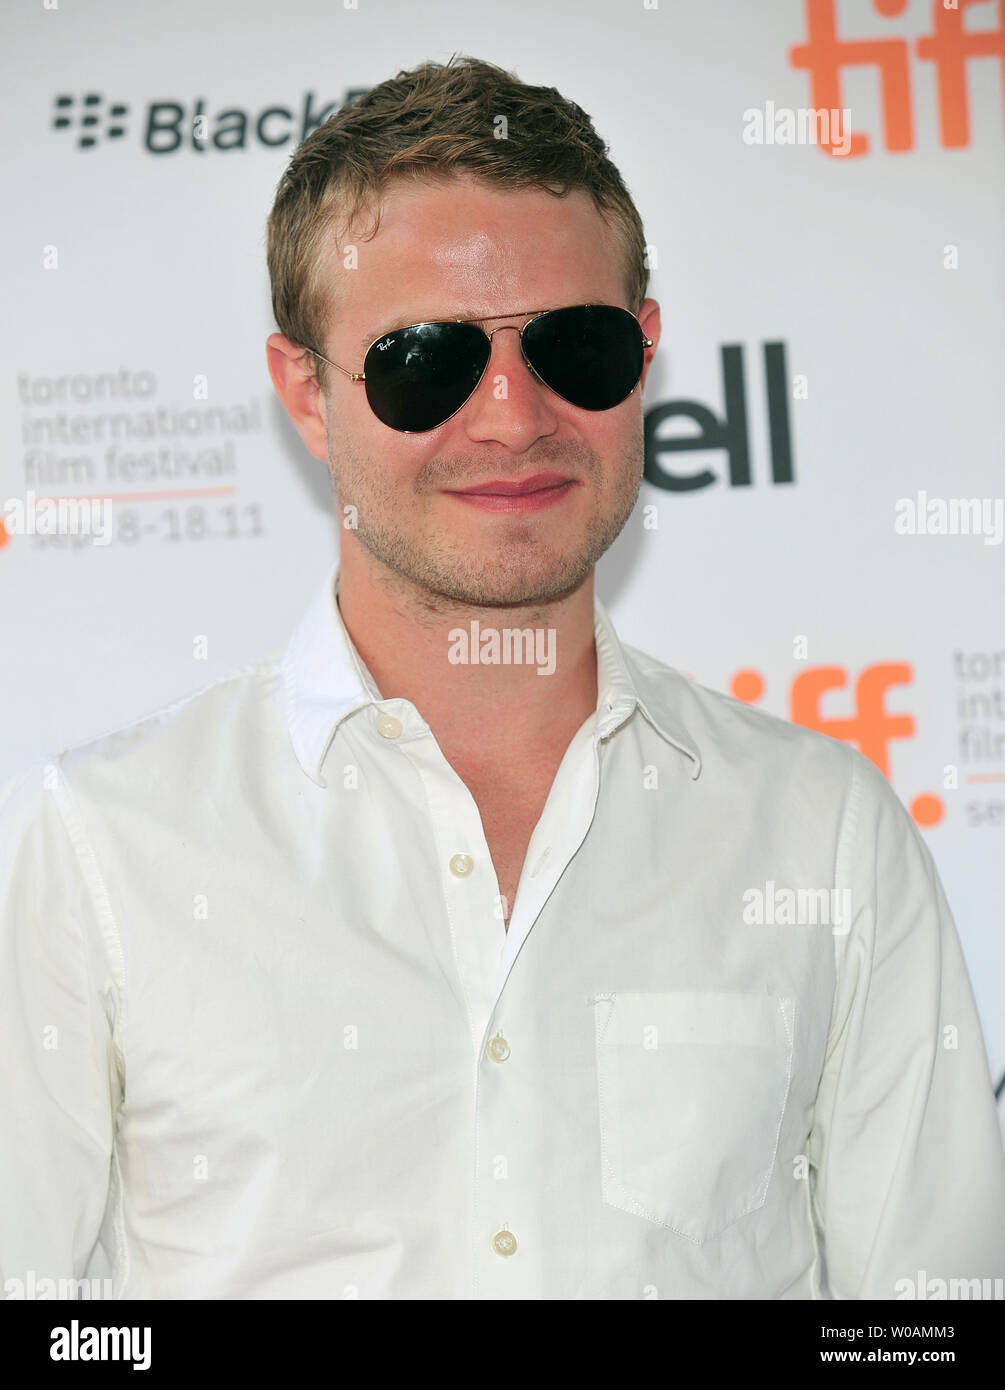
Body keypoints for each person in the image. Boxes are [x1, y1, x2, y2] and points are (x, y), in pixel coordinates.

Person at [1, 54, 1003, 1303]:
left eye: (573, 349)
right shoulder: (109, 846)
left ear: (643, 357)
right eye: (428, 359)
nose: (512, 414)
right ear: (307, 395)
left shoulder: (825, 833)